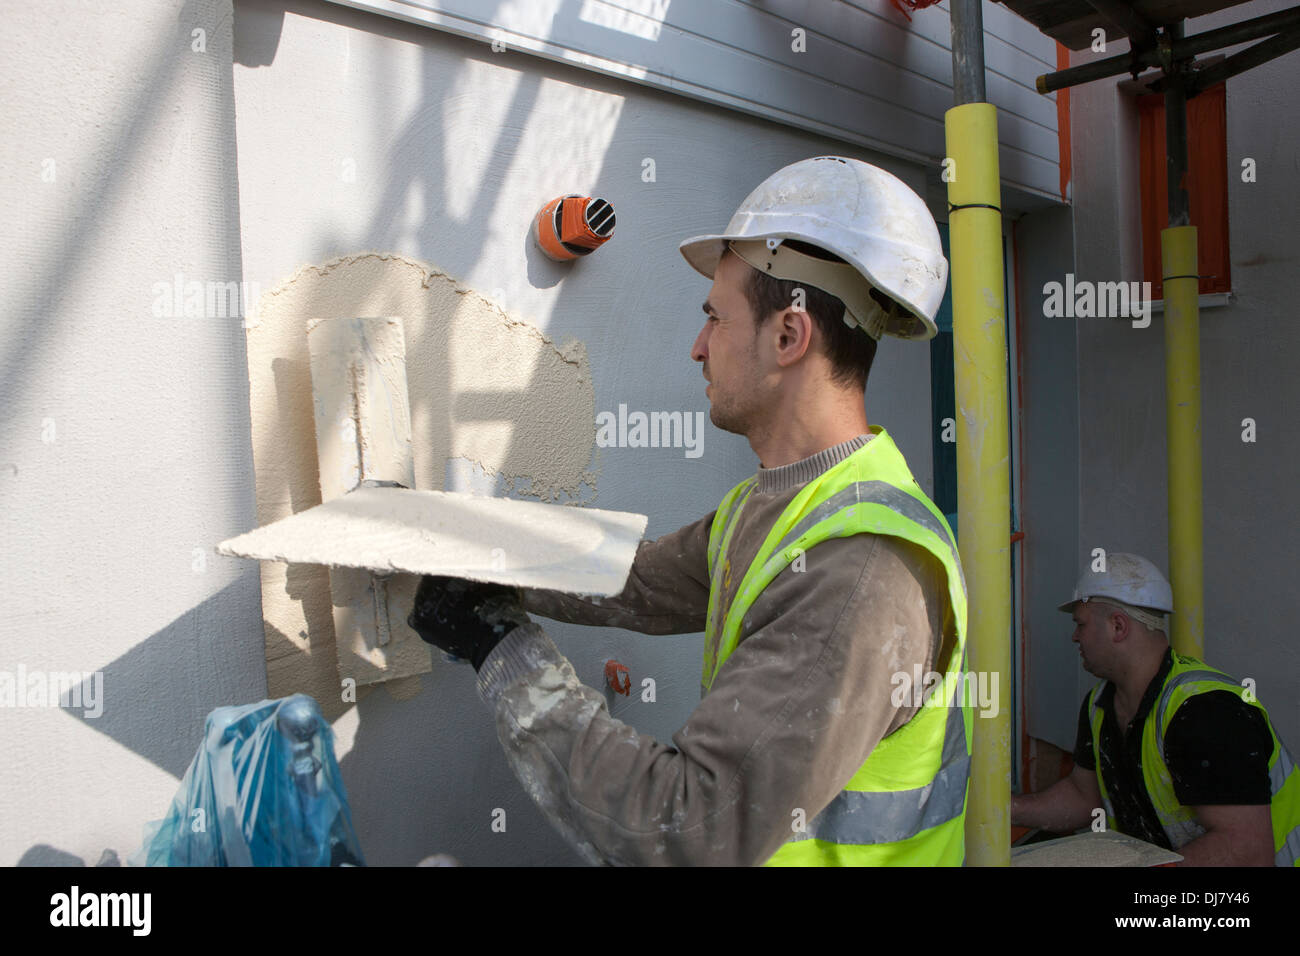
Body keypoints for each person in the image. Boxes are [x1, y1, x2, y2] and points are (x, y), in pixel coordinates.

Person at [408, 156, 970, 866]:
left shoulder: (860, 570)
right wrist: (465, 542)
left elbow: (686, 833)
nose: (697, 347)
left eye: (714, 318)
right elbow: (633, 579)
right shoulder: (778, 508)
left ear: (789, 336)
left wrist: (501, 648)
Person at [1010, 552, 1299, 866]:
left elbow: (1245, 852)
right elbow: (1084, 796)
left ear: (1118, 626)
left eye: (1080, 624)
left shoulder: (1207, 711)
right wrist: (1004, 810)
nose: (1074, 636)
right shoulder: (1100, 704)